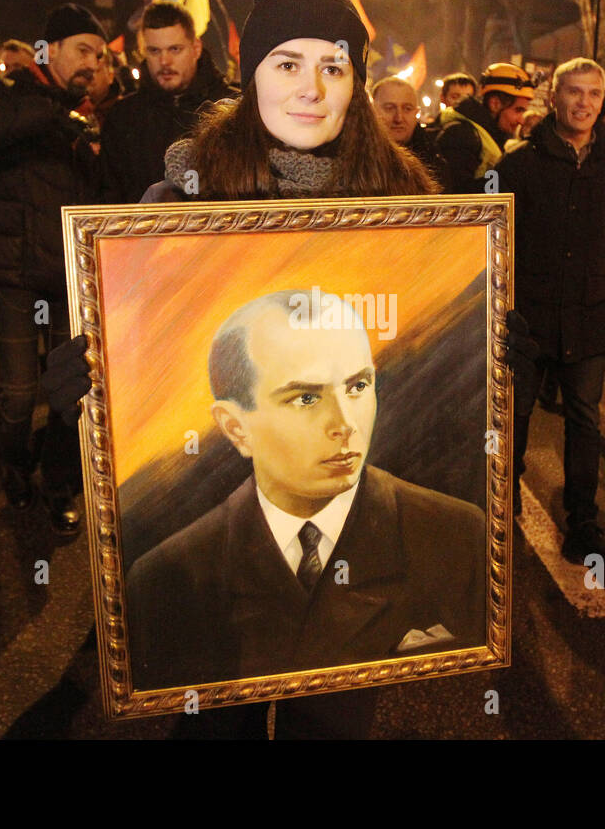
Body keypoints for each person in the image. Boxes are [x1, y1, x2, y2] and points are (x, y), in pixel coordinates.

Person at [45, 0, 446, 738]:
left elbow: (423, 392)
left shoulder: (410, 207)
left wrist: (500, 372)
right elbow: (148, 368)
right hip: (221, 558)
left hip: (350, 574)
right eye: (286, 63)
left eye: (334, 65)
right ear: (251, 73)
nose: (311, 87)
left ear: (356, 82)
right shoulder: (182, 202)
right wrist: (89, 383)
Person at [126, 290, 485, 689]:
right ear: (234, 427)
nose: (345, 423)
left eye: (357, 386)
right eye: (307, 397)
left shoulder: (457, 536)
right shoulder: (165, 579)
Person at [0, 3, 105, 533]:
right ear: (51, 51)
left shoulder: (89, 115)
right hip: (12, 276)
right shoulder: (5, 92)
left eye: (100, 55)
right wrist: (52, 109)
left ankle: (59, 484)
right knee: (17, 396)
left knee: (69, 395)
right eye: (82, 50)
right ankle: (13, 466)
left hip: (68, 279)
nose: (93, 62)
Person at [496, 57, 605, 561]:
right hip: (528, 319)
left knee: (584, 422)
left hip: (589, 317)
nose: (584, 103)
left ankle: (583, 519)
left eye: (593, 94)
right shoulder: (517, 165)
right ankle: (504, 497)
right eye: (574, 93)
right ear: (554, 98)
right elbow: (492, 240)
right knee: (512, 416)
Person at [99, 0, 237, 205]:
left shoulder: (232, 109)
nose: (164, 61)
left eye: (174, 49)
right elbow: (108, 198)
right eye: (154, 51)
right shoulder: (123, 118)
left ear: (196, 48)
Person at [433, 62, 533, 193]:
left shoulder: (489, 134)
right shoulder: (461, 136)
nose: (521, 120)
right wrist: (508, 173)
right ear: (495, 104)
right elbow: (458, 197)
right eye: (518, 110)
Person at [370, 75, 448, 186]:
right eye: (389, 108)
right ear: (372, 110)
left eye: (407, 109)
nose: (399, 118)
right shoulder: (355, 158)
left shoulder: (434, 159)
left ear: (416, 112)